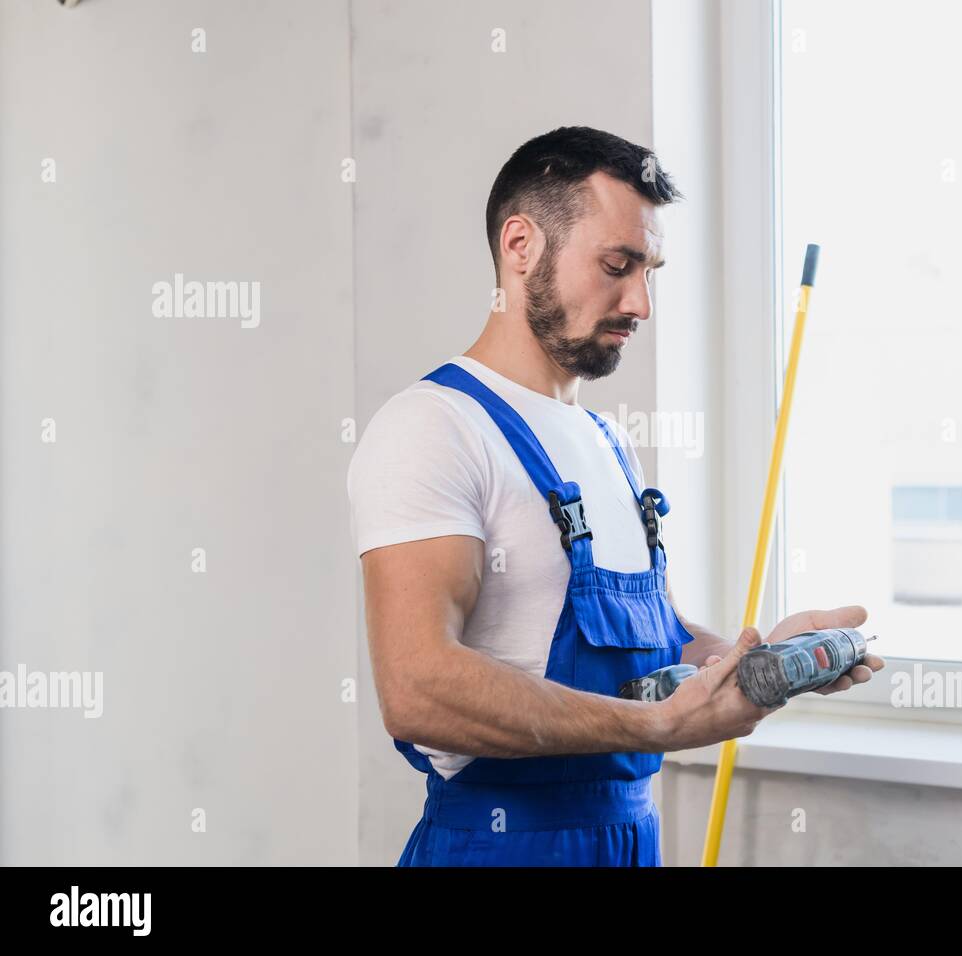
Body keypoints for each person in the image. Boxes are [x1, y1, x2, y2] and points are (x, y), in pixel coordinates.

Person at [347, 126, 884, 866]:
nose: (641, 301)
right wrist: (653, 729)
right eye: (617, 265)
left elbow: (642, 637)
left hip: (630, 839)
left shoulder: (607, 441)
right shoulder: (434, 428)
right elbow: (416, 687)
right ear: (521, 245)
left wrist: (749, 658)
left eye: (651, 270)